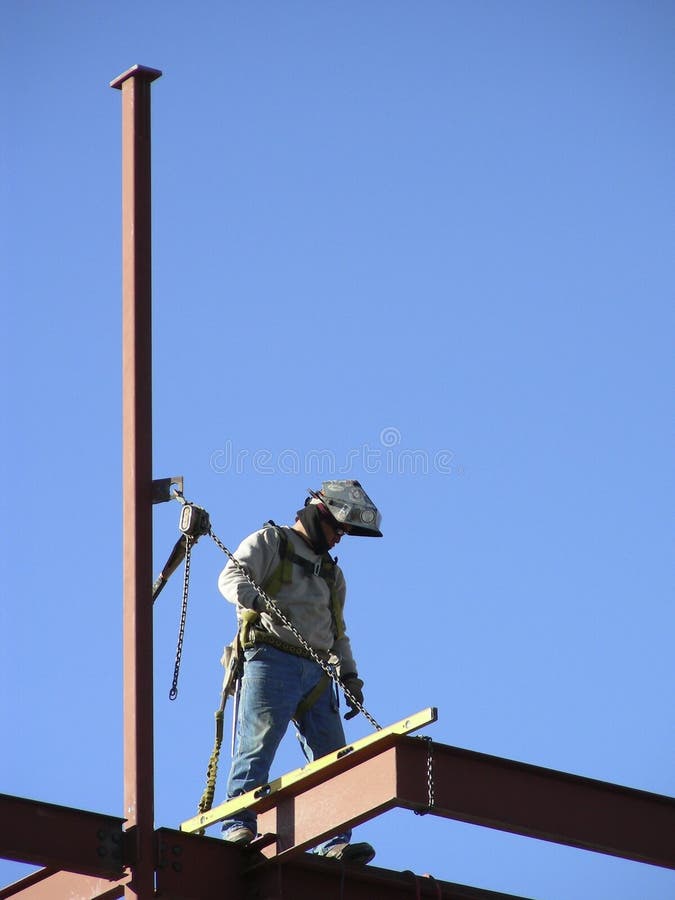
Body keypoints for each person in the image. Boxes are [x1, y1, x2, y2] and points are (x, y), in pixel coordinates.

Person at [217, 479, 383, 863]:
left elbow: (338, 632)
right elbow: (229, 578)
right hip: (270, 658)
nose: (339, 538)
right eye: (337, 528)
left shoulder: (331, 574)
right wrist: (258, 601)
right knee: (257, 745)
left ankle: (334, 841)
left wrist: (351, 676)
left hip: (318, 672)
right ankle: (238, 823)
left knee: (333, 757)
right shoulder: (272, 541)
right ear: (317, 514)